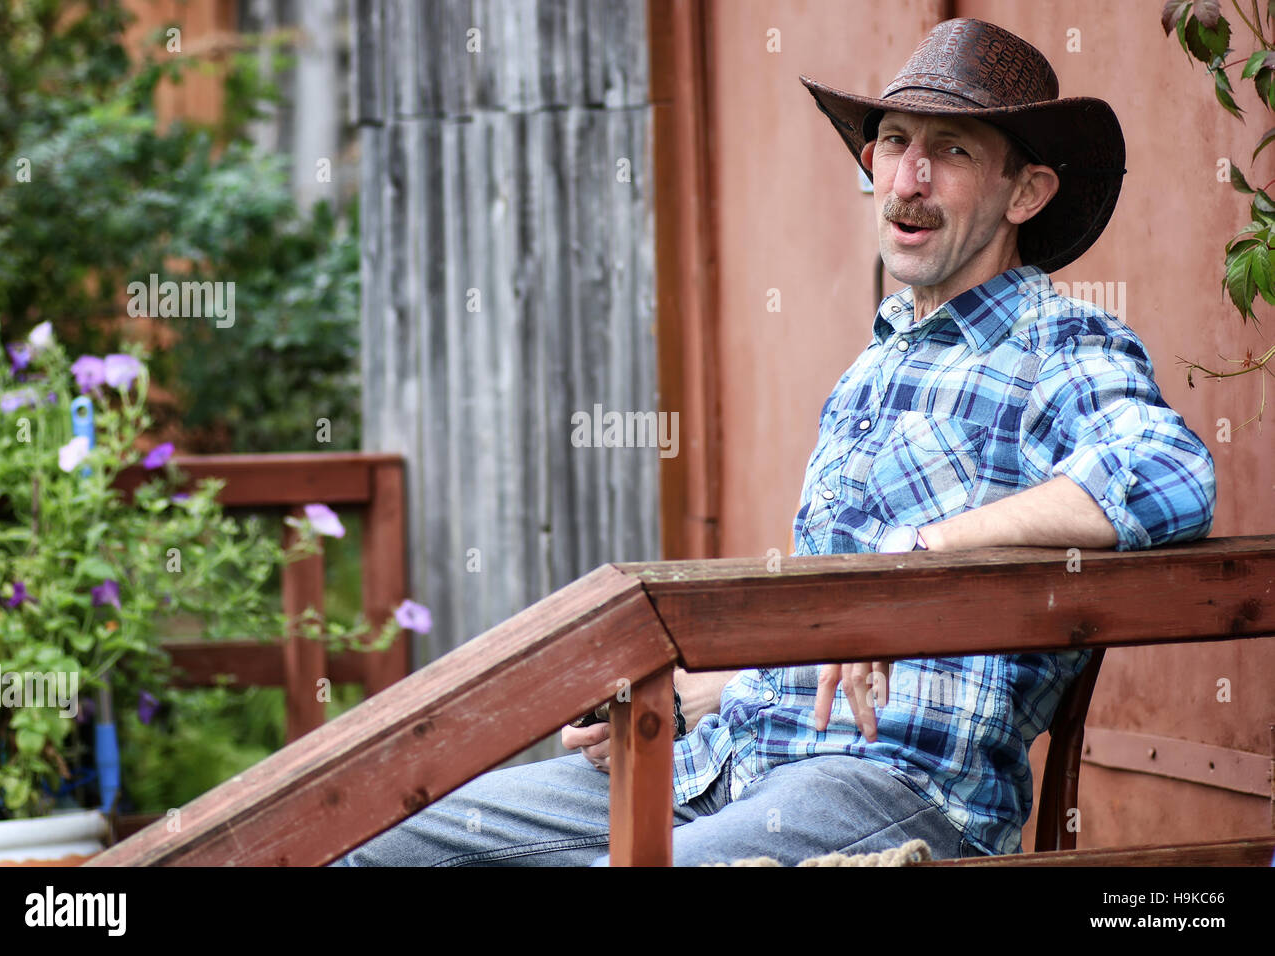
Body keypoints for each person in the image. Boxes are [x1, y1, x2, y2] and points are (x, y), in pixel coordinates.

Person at [331, 17, 1215, 867]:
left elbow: (1170, 472)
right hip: (729, 761)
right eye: (895, 142)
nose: (907, 178)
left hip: (892, 785)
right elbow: (822, 650)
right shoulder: (869, 370)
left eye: (951, 152)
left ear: (1025, 192)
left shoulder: (1058, 343)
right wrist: (680, 701)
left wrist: (915, 560)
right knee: (373, 839)